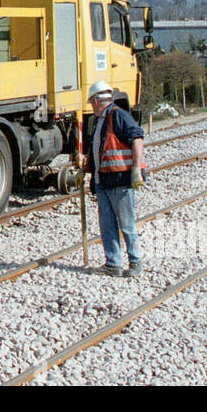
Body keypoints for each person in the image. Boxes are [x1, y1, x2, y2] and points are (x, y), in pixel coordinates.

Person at [82, 80, 146, 277]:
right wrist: (85, 170)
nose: (91, 106)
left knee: (127, 224)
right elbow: (98, 150)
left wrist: (136, 169)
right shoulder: (101, 120)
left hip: (121, 180)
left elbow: (137, 138)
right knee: (107, 225)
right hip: (103, 182)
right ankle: (113, 264)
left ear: (96, 100)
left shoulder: (119, 115)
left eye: (91, 102)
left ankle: (135, 263)